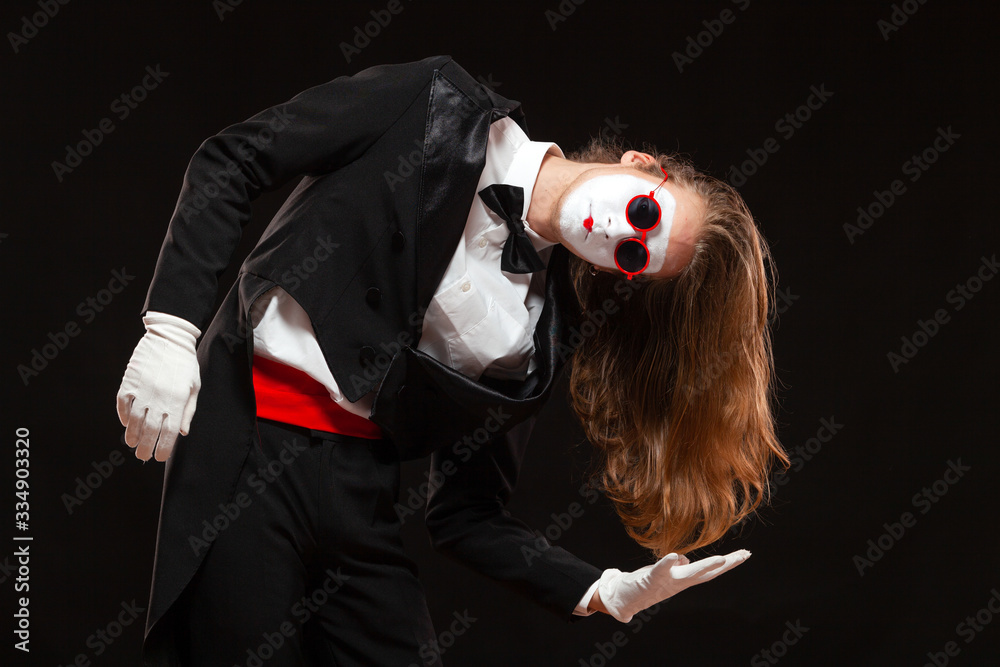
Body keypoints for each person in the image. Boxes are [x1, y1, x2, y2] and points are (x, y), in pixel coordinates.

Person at [116, 55, 789, 666]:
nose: (618, 233)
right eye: (644, 213)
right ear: (640, 165)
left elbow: (465, 513)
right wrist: (172, 327)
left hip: (359, 492)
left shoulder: (539, 336)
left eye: (634, 256)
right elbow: (235, 157)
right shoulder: (434, 101)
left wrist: (599, 589)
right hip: (249, 445)